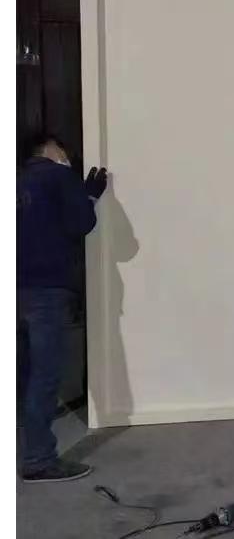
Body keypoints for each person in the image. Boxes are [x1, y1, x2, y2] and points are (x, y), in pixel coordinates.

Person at [17, 133, 108, 482]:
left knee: (23, 373)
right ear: (50, 149)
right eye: (62, 149)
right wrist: (88, 195)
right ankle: (38, 460)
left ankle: (29, 439)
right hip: (46, 290)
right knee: (44, 376)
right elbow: (81, 224)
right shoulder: (58, 175)